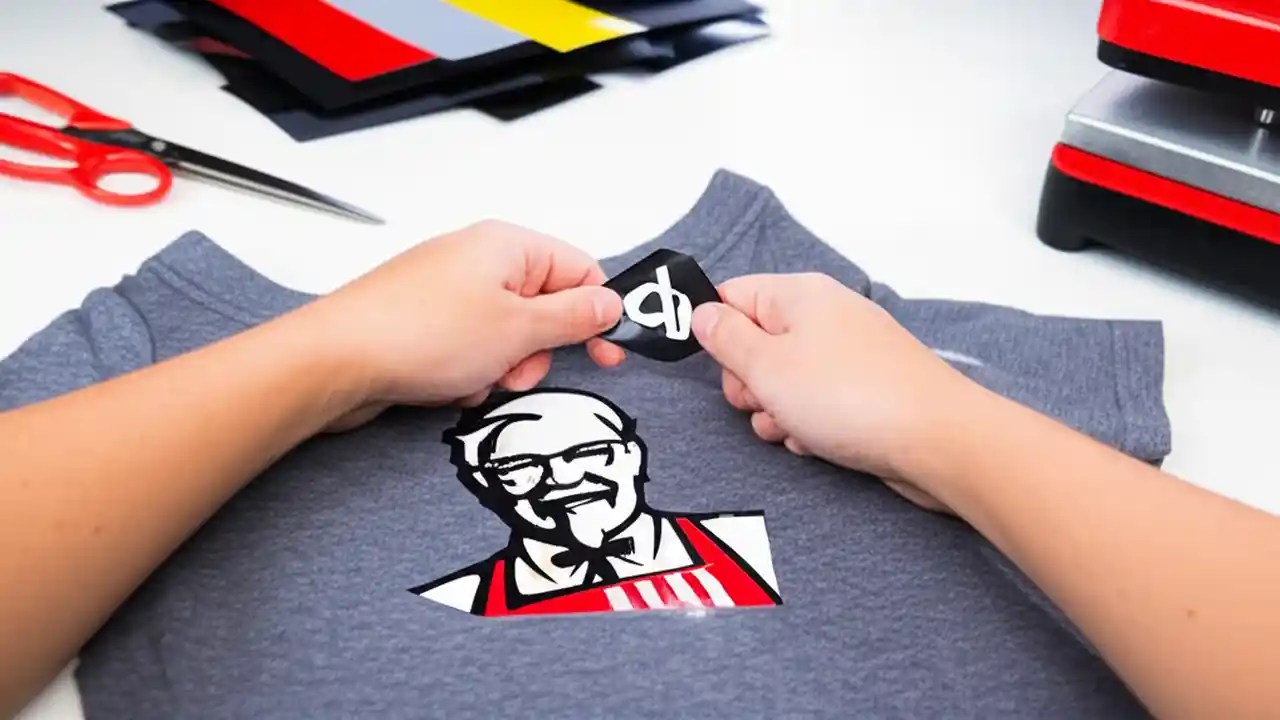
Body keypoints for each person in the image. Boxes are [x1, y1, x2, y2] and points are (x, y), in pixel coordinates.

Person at [1, 221, 1278, 718]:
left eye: (587, 453)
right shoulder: (152, 352)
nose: (567, 486)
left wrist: (947, 427)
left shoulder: (812, 303)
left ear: (629, 450)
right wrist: (318, 358)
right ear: (489, 491)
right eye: (530, 470)